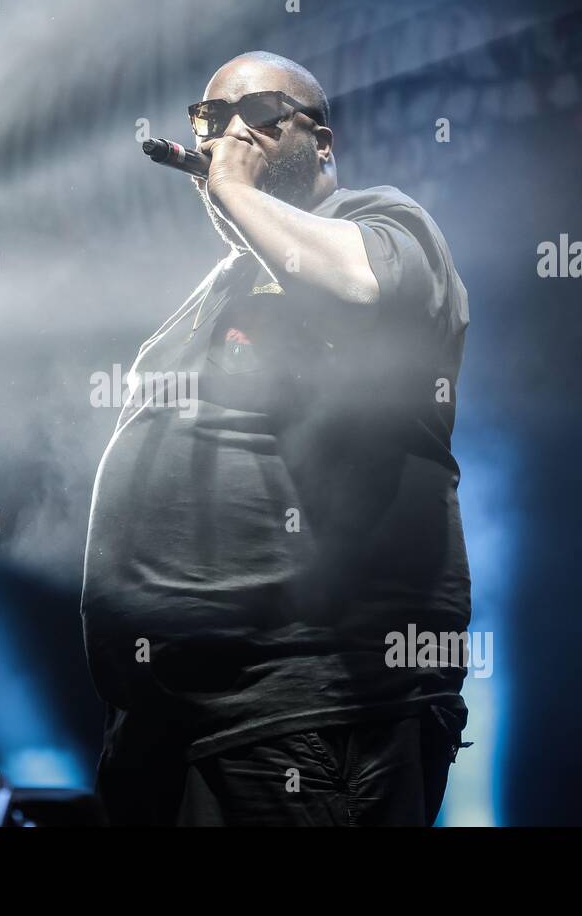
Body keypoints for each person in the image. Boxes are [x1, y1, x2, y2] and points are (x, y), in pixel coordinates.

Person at [81, 51, 472, 825]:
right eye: (210, 121)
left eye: (255, 116)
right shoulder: (224, 283)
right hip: (180, 717)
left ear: (320, 142)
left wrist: (229, 187)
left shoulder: (382, 220)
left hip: (311, 697)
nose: (227, 136)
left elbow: (360, 286)